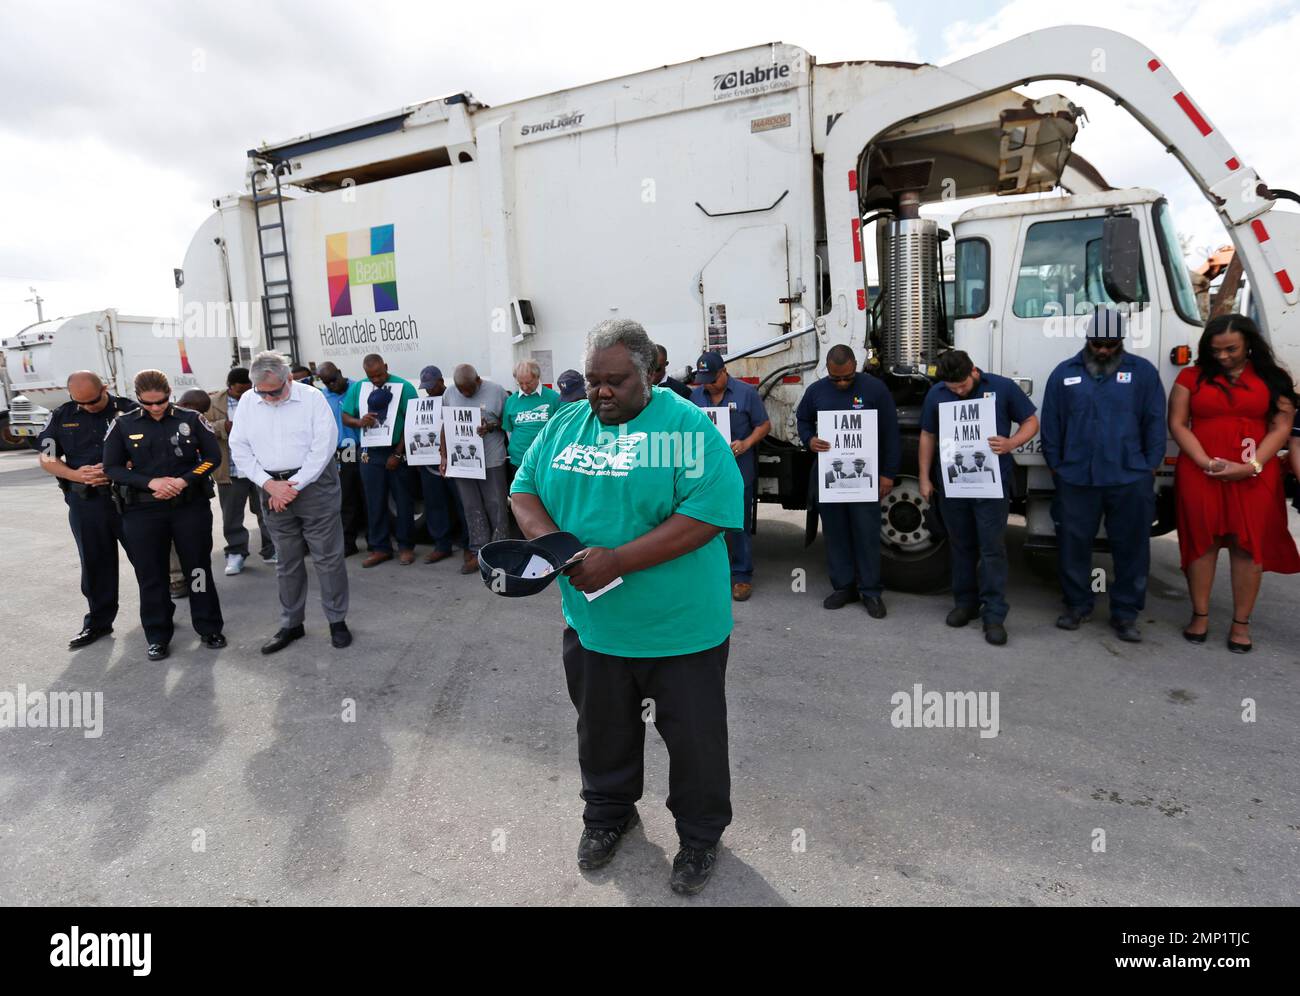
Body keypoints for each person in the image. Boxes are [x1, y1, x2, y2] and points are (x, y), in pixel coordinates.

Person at [510, 318, 743, 896]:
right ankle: (608, 814)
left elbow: (710, 514)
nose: (601, 392)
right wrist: (554, 546)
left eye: (614, 381)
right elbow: (523, 487)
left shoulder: (685, 429)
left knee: (696, 741)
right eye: (593, 380)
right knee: (602, 731)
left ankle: (699, 835)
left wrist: (618, 561)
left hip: (680, 630)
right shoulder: (567, 422)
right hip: (594, 624)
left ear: (650, 374)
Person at [1168, 314, 1299, 652]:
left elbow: (1281, 427)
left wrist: (1250, 466)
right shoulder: (1190, 377)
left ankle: (1241, 623)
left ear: (1249, 344)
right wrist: (1203, 461)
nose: (1223, 356)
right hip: (1200, 472)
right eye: (1216, 351)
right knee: (1202, 542)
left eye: (1231, 349)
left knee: (1247, 546)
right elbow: (1178, 423)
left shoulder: (1273, 378)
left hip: (1255, 475)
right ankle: (1200, 615)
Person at [1040, 307, 1165, 643]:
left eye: (1111, 344)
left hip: (1129, 478)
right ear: (1088, 341)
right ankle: (1077, 605)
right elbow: (1050, 423)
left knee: (1131, 547)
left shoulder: (1142, 374)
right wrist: (1058, 465)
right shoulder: (1064, 374)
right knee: (1073, 545)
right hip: (1077, 478)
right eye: (1099, 344)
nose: (1105, 350)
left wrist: (1148, 464)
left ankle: (1125, 614)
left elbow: (1155, 421)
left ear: (1121, 342)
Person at [230, 351, 352, 653]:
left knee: (327, 557)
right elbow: (240, 448)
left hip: (313, 485)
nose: (269, 398)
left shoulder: (311, 399)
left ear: (288, 379)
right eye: (263, 392)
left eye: (276, 391)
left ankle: (337, 621)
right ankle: (291, 624)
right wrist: (270, 485)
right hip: (270, 487)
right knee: (286, 559)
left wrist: (292, 486)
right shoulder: (248, 402)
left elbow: (323, 446)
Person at [103, 369, 226, 661]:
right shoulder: (122, 424)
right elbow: (112, 468)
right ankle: (157, 634)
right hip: (143, 510)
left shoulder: (191, 419)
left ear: (169, 394)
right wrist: (151, 482)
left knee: (197, 569)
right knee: (152, 575)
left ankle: (208, 627)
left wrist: (183, 480)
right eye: (149, 403)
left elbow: (212, 458)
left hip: (188, 505)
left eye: (162, 401)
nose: (156, 408)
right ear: (139, 399)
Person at [919, 349, 1039, 646]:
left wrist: (1011, 443)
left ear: (974, 371)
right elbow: (927, 435)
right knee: (961, 546)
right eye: (952, 388)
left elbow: (1031, 422)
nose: (958, 391)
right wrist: (923, 477)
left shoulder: (1002, 387)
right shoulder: (936, 394)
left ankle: (994, 613)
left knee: (992, 549)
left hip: (991, 485)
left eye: (961, 385)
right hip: (952, 484)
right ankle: (965, 604)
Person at [796, 344, 900, 618]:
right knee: (836, 534)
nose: (842, 383)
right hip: (831, 479)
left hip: (864, 480)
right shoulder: (816, 391)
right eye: (836, 378)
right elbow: (802, 419)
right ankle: (844, 587)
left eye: (847, 377)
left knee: (866, 535)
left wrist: (888, 474)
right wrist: (809, 440)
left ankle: (871, 592)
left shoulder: (875, 389)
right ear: (827, 370)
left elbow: (891, 433)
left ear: (856, 365)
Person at [37, 371, 138, 649]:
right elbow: (46, 455)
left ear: (104, 388)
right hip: (87, 501)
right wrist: (76, 475)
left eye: (93, 401)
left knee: (147, 560)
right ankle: (98, 622)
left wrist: (119, 468)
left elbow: (152, 449)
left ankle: (159, 616)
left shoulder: (129, 410)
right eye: (80, 402)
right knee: (95, 563)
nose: (87, 407)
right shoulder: (62, 415)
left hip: (130, 499)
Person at [690, 350, 770, 601]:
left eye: (713, 379)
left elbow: (764, 424)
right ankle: (714, 574)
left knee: (738, 524)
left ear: (724, 372)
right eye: (705, 380)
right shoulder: (694, 397)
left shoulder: (746, 393)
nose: (709, 385)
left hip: (739, 471)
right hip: (706, 474)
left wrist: (746, 443)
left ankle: (742, 576)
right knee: (706, 524)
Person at [340, 353, 418, 567]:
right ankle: (380, 547)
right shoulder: (358, 388)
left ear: (386, 366)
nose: (376, 380)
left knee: (403, 501)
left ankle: (405, 546)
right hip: (369, 452)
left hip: (396, 451)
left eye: (379, 375)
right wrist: (358, 422)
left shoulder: (404, 387)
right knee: (374, 501)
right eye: (371, 376)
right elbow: (345, 416)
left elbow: (412, 423)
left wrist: (398, 454)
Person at [439, 363, 510, 574]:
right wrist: (443, 455)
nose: (465, 394)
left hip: (491, 459)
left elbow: (507, 423)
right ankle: (478, 551)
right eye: (461, 390)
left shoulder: (496, 391)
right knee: (471, 506)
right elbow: (445, 424)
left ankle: (500, 551)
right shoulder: (449, 393)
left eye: (469, 390)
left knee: (496, 505)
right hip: (463, 462)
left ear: (478, 380)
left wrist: (489, 426)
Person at [208, 368, 277, 576]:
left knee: (266, 512)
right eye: (239, 391)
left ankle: (271, 549)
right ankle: (236, 553)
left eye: (249, 388)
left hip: (261, 468)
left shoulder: (262, 397)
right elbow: (200, 426)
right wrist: (222, 426)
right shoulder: (213, 402)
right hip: (230, 469)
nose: (245, 394)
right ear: (229, 386)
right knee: (232, 516)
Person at [416, 364, 467, 563]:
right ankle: (441, 545)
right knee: (435, 503)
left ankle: (468, 545)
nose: (428, 390)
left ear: (441, 382)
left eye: (431, 385)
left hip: (455, 460)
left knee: (463, 504)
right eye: (425, 387)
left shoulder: (455, 398)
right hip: (430, 463)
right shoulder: (423, 405)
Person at [316, 362, 367, 557]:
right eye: (327, 382)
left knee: (368, 497)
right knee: (346, 499)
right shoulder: (321, 397)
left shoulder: (358, 388)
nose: (332, 385)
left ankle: (375, 542)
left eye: (334, 379)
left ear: (340, 372)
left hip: (361, 448)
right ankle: (348, 543)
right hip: (341, 452)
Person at [503, 359, 561, 484]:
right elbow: (509, 431)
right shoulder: (511, 401)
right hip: (519, 461)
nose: (524, 387)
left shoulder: (553, 398)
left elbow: (560, 430)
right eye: (520, 383)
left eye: (528, 383)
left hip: (545, 459)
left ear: (537, 377)